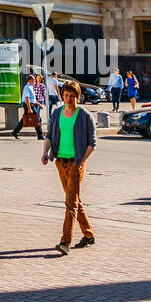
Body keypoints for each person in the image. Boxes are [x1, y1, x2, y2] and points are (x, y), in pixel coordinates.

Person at [42, 79, 97, 255]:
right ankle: (89, 235)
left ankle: (65, 242)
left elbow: (92, 143)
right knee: (74, 201)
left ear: (77, 97)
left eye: (72, 96)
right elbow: (49, 135)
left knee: (70, 203)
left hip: (76, 163)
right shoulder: (57, 113)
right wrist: (45, 153)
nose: (68, 99)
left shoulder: (85, 116)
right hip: (60, 162)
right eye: (66, 95)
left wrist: (80, 162)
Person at [12, 73, 44, 141]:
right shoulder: (27, 87)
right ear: (29, 80)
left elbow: (33, 99)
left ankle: (15, 132)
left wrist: (39, 104)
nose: (35, 81)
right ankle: (40, 135)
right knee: (36, 118)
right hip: (28, 105)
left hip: (30, 104)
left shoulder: (31, 87)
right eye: (34, 80)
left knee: (24, 119)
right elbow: (27, 98)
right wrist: (29, 108)